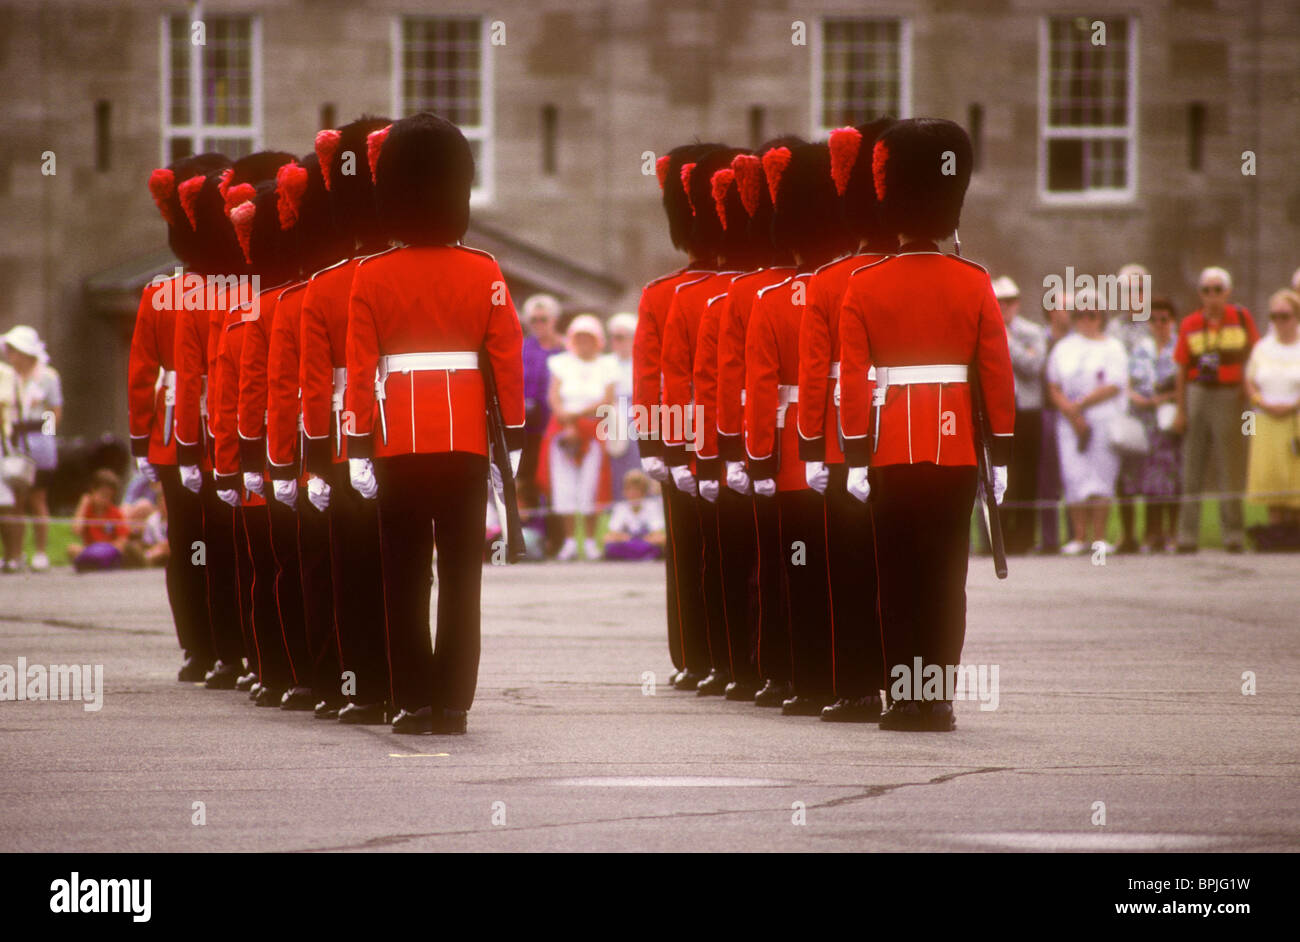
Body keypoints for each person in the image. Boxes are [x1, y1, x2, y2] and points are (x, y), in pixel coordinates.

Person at [345, 112, 525, 737]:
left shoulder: (371, 275)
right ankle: (452, 702)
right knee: (460, 577)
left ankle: (412, 698)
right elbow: (507, 361)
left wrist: (359, 445)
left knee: (403, 576)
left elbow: (360, 366)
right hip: (467, 443)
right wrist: (516, 443)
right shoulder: (484, 271)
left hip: (397, 440)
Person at [838, 117, 1015, 732]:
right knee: (945, 581)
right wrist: (1004, 460)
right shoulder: (974, 282)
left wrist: (855, 456)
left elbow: (855, 381)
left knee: (896, 579)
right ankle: (934, 699)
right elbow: (996, 377)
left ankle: (902, 696)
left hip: (887, 451)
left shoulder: (865, 283)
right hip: (957, 451)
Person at [746, 141, 852, 717]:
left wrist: (759, 457)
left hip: (793, 450)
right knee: (847, 572)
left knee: (797, 573)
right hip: (855, 442)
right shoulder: (852, 282)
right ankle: (847, 677)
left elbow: (763, 387)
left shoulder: (770, 299)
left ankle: (801, 678)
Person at [300, 116, 395, 725]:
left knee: (350, 568)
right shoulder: (413, 270)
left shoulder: (325, 286)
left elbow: (312, 386)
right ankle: (402, 680)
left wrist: (309, 460)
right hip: (409, 430)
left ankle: (356, 683)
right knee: (404, 567)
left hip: (342, 437)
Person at [800, 120, 895, 723]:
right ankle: (915, 684)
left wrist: (813, 447)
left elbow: (818, 377)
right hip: (923, 441)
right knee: (910, 576)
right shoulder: (954, 274)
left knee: (852, 574)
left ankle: (859, 686)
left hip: (845, 442)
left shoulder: (831, 281)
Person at [132, 153, 227, 679]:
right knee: (232, 544)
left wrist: (139, 441)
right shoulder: (246, 292)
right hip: (233, 431)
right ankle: (231, 648)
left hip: (173, 433)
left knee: (189, 546)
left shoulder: (161, 293)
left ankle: (199, 648)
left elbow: (143, 375)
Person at [635, 141, 721, 691]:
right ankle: (741, 657)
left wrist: (657, 444)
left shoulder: (665, 294)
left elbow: (652, 379)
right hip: (750, 436)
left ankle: (697, 654)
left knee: (691, 551)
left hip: (687, 438)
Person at [1172, 266, 1260, 552]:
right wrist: (1181, 409)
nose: (1212, 296)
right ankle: (1187, 535)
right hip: (1199, 392)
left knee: (1230, 466)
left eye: (1218, 289)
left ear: (1228, 292)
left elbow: (1254, 358)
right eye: (1207, 290)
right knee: (1192, 466)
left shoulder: (1241, 319)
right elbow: (1182, 368)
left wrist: (1248, 396)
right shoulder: (1190, 324)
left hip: (1230, 394)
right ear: (1200, 294)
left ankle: (1233, 533)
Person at [1045, 291, 1129, 555]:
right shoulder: (1063, 347)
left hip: (1103, 419)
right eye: (1079, 315)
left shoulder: (1112, 347)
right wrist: (1071, 412)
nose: (1085, 320)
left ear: (1101, 316)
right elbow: (1054, 385)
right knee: (1074, 476)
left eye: (1091, 315)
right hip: (1069, 423)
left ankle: (1099, 537)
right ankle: (1079, 537)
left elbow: (1114, 385)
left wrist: (1081, 405)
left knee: (1100, 476)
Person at [545, 314, 616, 561]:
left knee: (590, 484)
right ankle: (568, 542)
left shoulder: (607, 365)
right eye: (579, 338)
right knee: (564, 484)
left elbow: (607, 400)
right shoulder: (561, 363)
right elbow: (554, 396)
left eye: (589, 338)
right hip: (563, 428)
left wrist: (577, 415)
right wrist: (566, 418)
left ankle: (589, 540)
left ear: (598, 341)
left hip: (592, 427)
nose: (584, 343)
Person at [1119, 297, 1182, 551]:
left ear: (1172, 321)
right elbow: (1128, 381)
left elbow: (1186, 383)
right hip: (1143, 420)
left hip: (1169, 420)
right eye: (1153, 319)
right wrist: (1136, 398)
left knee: (1171, 478)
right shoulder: (1140, 348)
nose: (1158, 324)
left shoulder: (1179, 347)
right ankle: (1151, 533)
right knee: (1145, 478)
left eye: (1163, 319)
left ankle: (1173, 532)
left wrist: (1164, 398)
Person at [2, 324, 62, 573]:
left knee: (37, 499)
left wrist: (45, 437)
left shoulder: (47, 377)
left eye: (15, 350)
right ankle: (15, 555)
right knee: (15, 500)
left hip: (39, 441)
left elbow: (55, 410)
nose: (10, 355)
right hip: (14, 441)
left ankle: (40, 551)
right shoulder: (8, 377)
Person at [994, 276, 1047, 554]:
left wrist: (1007, 340)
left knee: (1027, 476)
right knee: (998, 475)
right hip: (997, 412)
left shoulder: (1032, 331)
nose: (1005, 307)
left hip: (1027, 412)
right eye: (999, 301)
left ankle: (1024, 539)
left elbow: (1033, 364)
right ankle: (998, 539)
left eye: (1010, 301)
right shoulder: (986, 329)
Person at [1244, 289, 1300, 528]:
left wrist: (1292, 405)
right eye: (1274, 316)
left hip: (1294, 420)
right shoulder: (1262, 348)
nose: (1279, 321)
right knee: (1272, 475)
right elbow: (1249, 380)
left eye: (1284, 316)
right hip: (1266, 421)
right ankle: (1275, 534)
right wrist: (1261, 402)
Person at [519, 294, 565, 509]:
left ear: (554, 320)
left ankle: (556, 536)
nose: (538, 324)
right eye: (534, 320)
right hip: (527, 427)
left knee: (552, 481)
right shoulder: (522, 348)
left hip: (553, 424)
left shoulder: (565, 348)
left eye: (543, 319)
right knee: (525, 479)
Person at [1037, 294, 1073, 552]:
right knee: (1048, 478)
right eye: (1065, 307)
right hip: (1047, 413)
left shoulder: (1077, 342)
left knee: (1073, 474)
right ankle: (1050, 539)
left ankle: (1075, 536)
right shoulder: (1042, 340)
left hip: (1073, 413)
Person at [604, 312, 641, 500]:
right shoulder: (606, 362)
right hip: (614, 417)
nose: (615, 342)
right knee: (617, 468)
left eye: (620, 337)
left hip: (640, 416)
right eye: (613, 337)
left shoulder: (642, 361)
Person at [67, 469, 129, 572]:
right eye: (103, 495)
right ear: (93, 491)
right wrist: (83, 504)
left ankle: (97, 563)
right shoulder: (86, 509)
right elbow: (76, 530)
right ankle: (91, 563)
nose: (106, 500)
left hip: (108, 551)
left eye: (109, 496)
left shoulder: (115, 513)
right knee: (72, 549)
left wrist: (106, 550)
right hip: (89, 550)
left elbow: (122, 541)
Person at [603, 470, 666, 560]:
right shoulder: (620, 507)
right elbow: (611, 535)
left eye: (637, 490)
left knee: (660, 543)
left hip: (645, 544)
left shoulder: (652, 506)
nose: (633, 493)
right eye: (629, 489)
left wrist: (641, 539)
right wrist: (628, 538)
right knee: (610, 543)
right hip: (628, 543)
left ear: (644, 491)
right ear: (624, 491)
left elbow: (658, 535)